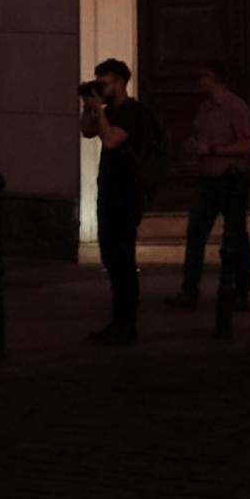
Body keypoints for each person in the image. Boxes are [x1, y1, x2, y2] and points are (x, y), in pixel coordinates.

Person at [76, 61, 154, 345]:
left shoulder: (133, 113)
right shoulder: (109, 112)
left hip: (127, 194)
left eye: (104, 83)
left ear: (120, 82)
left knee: (123, 261)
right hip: (108, 193)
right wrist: (90, 108)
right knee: (111, 259)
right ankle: (118, 322)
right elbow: (87, 133)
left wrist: (101, 112)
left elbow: (110, 140)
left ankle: (127, 324)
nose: (101, 88)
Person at [176, 64, 250, 312]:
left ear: (215, 79)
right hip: (207, 180)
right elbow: (200, 137)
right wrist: (194, 146)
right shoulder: (204, 109)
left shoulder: (236, 107)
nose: (199, 81)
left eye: (203, 76)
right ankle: (189, 291)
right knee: (195, 235)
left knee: (235, 238)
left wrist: (212, 150)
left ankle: (239, 292)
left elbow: (246, 145)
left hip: (230, 180)